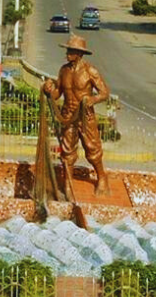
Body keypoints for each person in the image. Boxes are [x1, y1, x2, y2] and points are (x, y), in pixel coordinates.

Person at [42, 34, 112, 198]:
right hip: (68, 115)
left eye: (71, 51)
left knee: (92, 149)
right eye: (68, 50)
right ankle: (68, 184)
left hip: (85, 116)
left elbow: (104, 92)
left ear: (79, 53)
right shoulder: (63, 70)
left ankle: (102, 177)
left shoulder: (90, 71)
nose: (67, 53)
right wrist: (49, 90)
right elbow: (57, 94)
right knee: (67, 152)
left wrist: (92, 99)